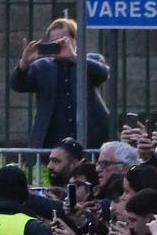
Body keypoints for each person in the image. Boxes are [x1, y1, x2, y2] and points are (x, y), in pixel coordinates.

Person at [9, 19, 113, 151]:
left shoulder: (89, 60)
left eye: (62, 40)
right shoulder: (41, 66)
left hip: (89, 139)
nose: (58, 45)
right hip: (52, 142)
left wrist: (74, 57)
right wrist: (23, 64)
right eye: (54, 41)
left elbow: (102, 74)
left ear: (74, 40)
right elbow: (17, 85)